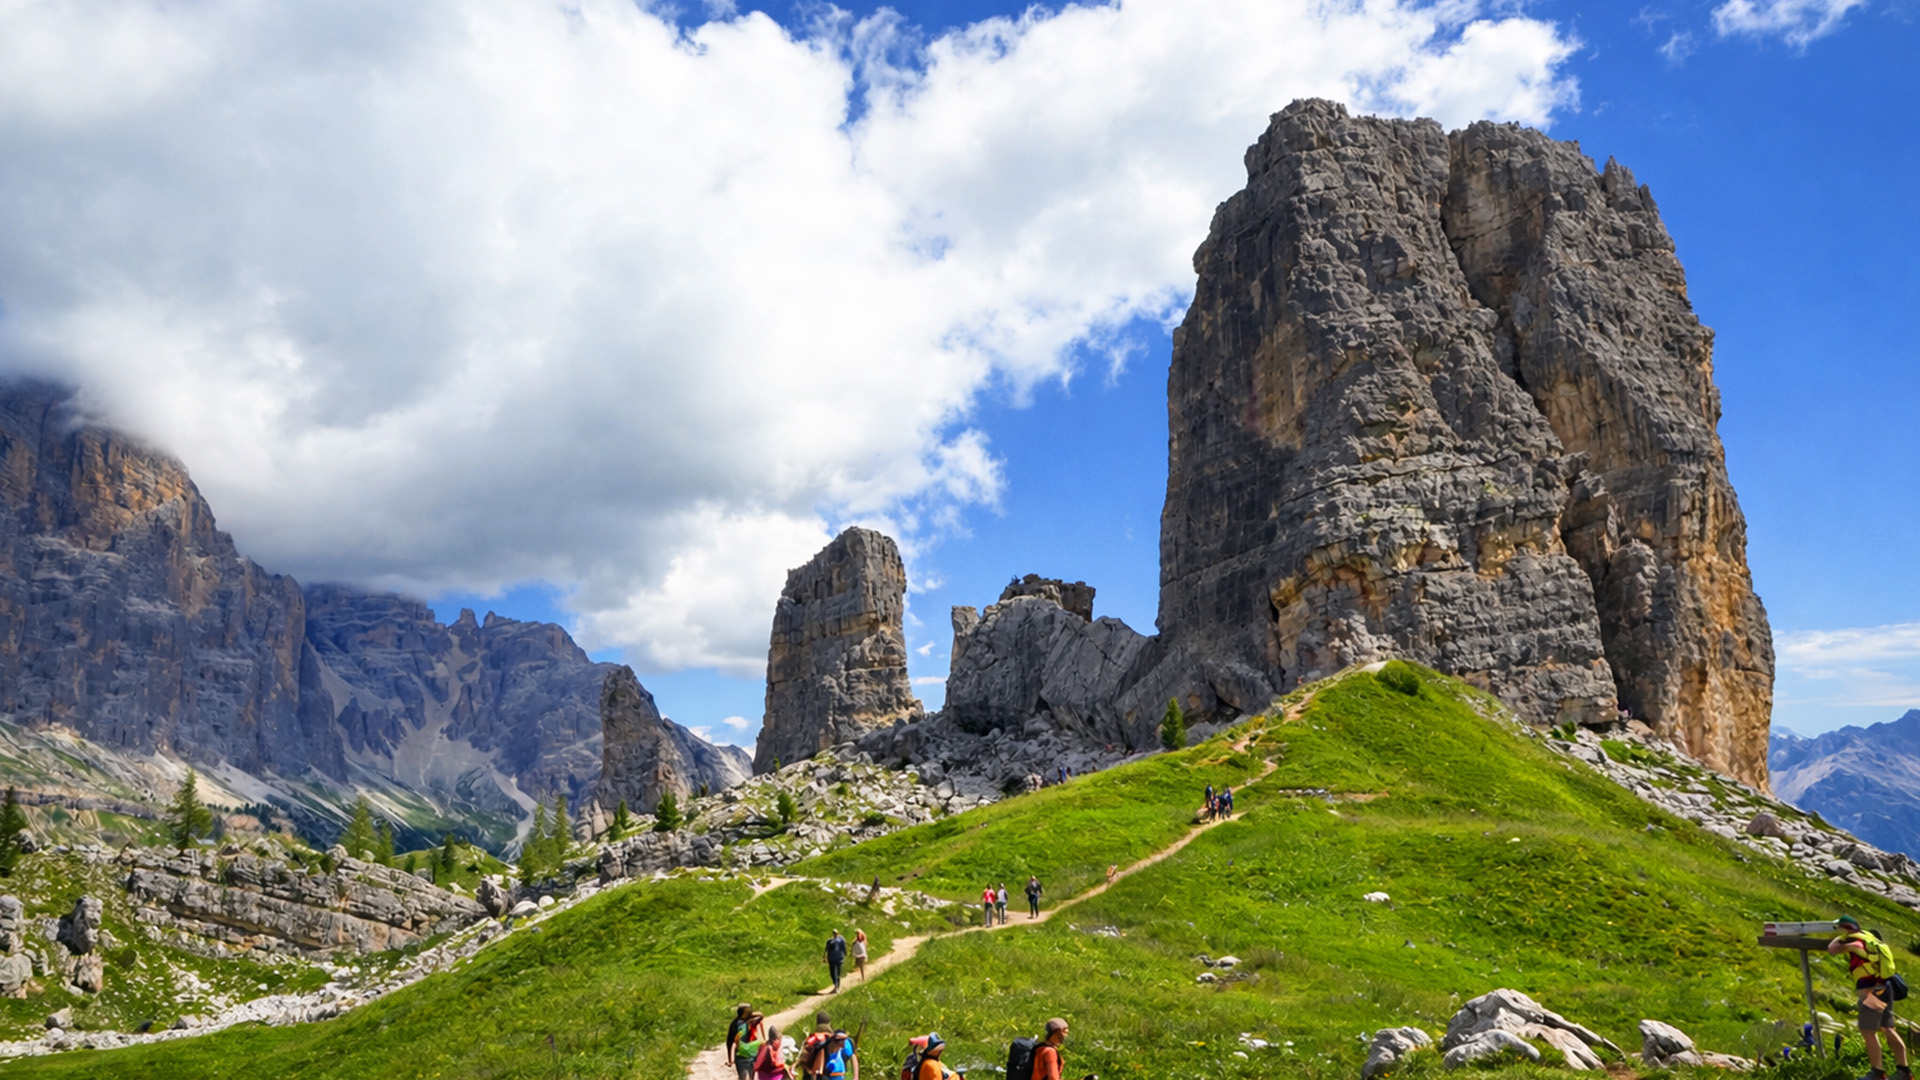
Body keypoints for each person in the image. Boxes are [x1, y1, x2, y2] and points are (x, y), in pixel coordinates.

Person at [1829, 916, 1911, 1080]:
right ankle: (1904, 1071)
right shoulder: (1869, 941)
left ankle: (1877, 1073)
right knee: (1887, 1028)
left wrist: (1843, 937)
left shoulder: (1856, 943)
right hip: (1883, 988)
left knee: (1868, 1031)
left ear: (1846, 928)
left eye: (1840, 928)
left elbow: (1832, 949)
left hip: (1870, 992)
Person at [736, 1012, 767, 1080]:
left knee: (750, 1068)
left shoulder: (747, 1024)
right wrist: (764, 1040)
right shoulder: (751, 1025)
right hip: (752, 1046)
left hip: (748, 1047)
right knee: (752, 1067)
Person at [802, 1014, 833, 1080]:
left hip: (810, 1074)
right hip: (826, 1074)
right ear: (829, 1024)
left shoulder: (811, 1038)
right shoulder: (832, 1039)